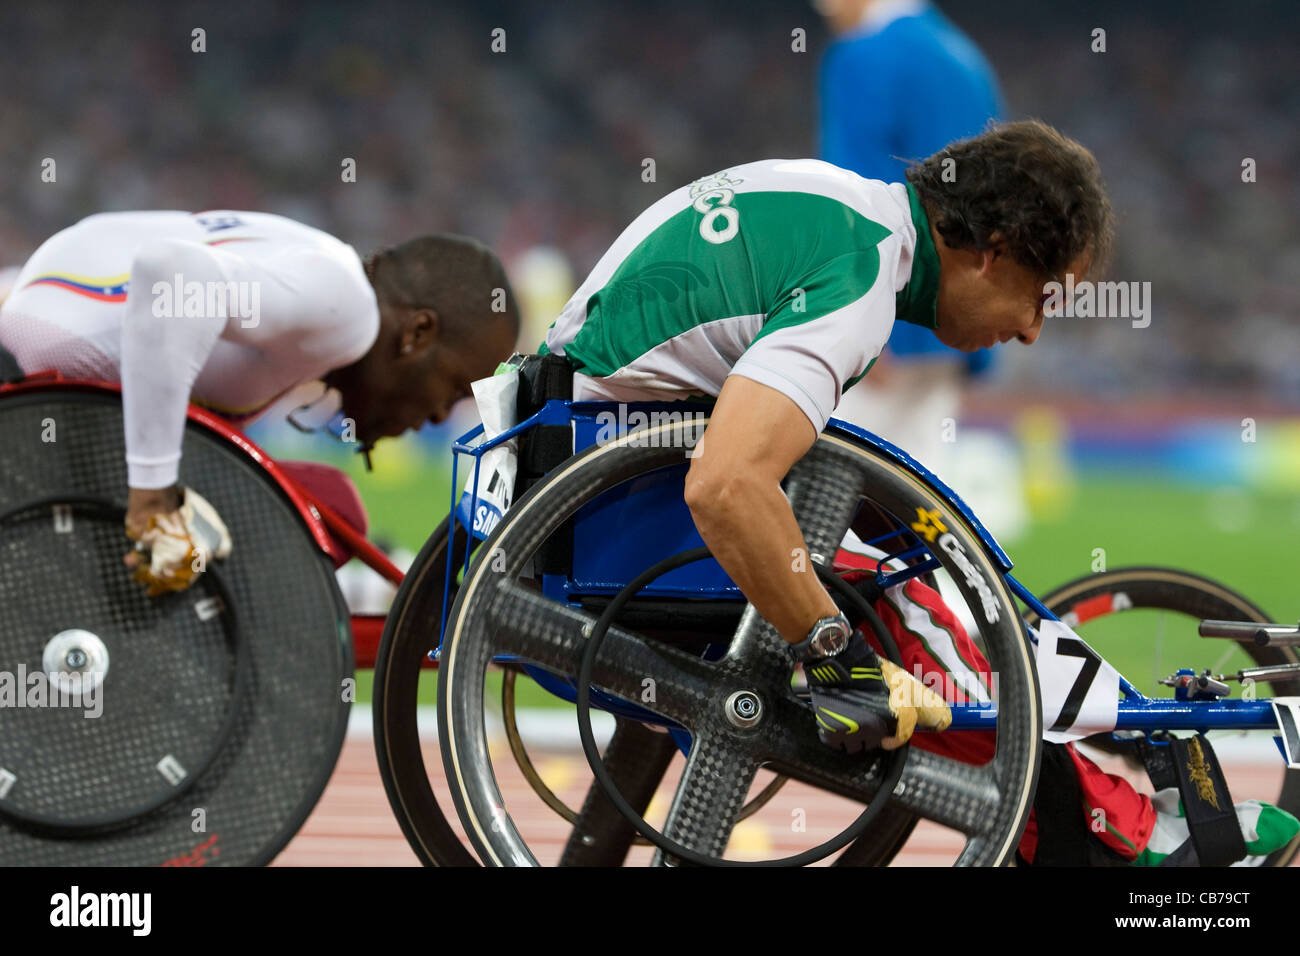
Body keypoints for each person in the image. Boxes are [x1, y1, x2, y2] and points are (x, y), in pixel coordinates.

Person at [541, 119, 1110, 754]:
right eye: (1041, 300)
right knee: (904, 601)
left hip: (578, 458)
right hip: (613, 514)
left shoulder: (842, 202)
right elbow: (726, 486)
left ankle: (1083, 736)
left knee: (887, 544)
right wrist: (835, 654)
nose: (1031, 332)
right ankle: (1093, 801)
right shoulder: (860, 276)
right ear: (993, 252)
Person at [0, 211, 518, 594]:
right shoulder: (347, 306)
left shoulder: (315, 276)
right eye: (454, 388)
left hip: (39, 390)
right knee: (331, 505)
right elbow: (173, 274)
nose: (439, 415)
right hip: (35, 396)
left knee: (274, 501)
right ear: (417, 334)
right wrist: (153, 499)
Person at [816, 0, 1003, 474]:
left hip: (886, 320)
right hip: (954, 324)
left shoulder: (862, 55)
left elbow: (852, 195)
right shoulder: (968, 61)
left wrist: (857, 319)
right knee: (920, 493)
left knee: (827, 491)